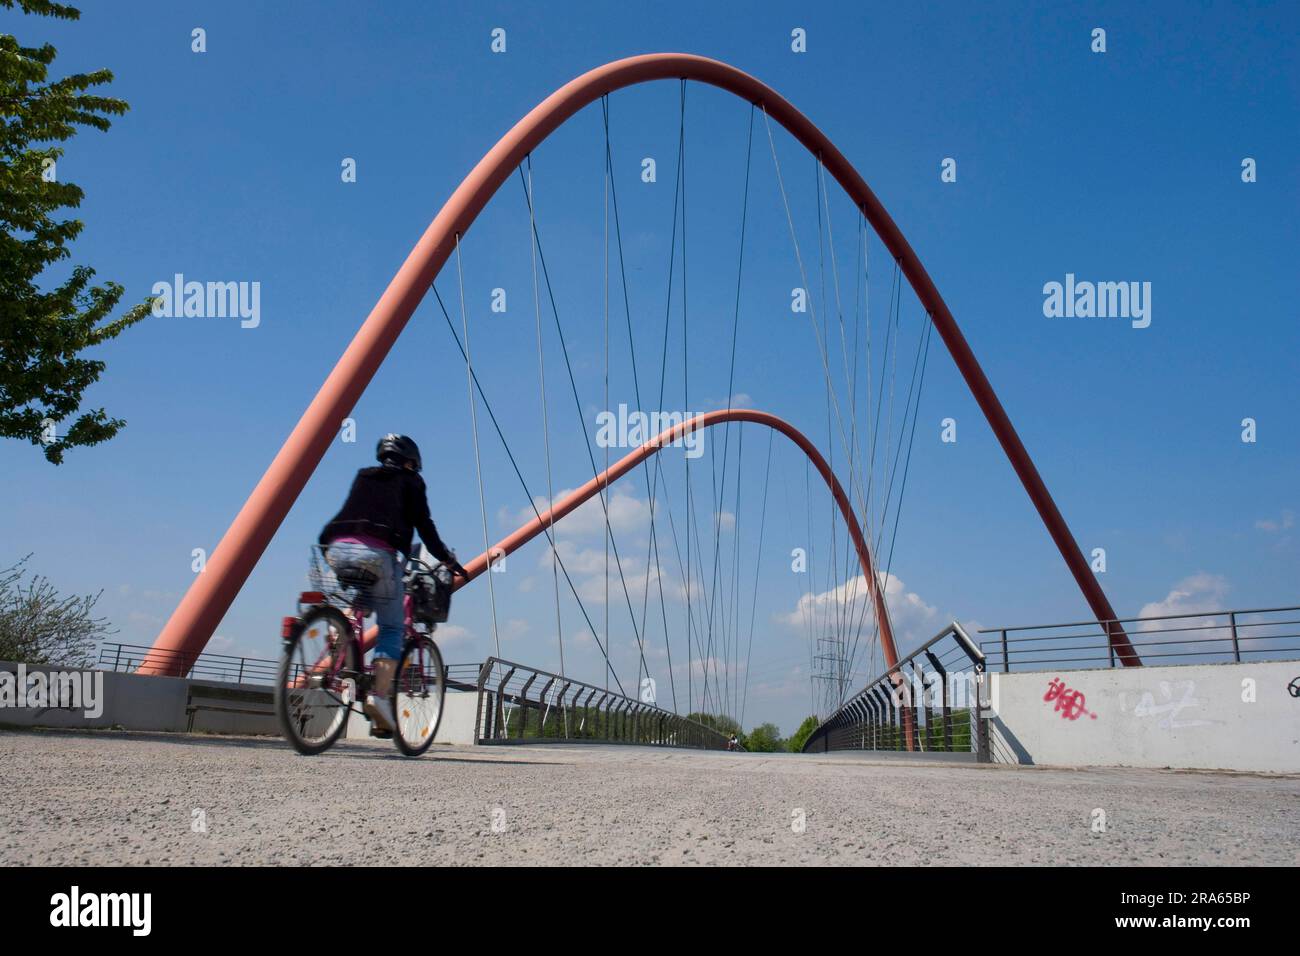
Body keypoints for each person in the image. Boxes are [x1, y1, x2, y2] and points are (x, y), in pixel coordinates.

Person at [319, 434, 467, 734]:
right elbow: (425, 527)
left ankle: (339, 637)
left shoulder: (365, 474)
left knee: (360, 601)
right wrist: (448, 561)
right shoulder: (412, 482)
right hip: (377, 554)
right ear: (411, 461)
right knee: (391, 628)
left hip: (335, 547)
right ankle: (379, 697)